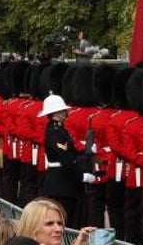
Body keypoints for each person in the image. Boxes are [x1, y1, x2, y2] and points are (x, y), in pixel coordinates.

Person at [38, 94, 92, 228]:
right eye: (62, 111)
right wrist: (81, 176)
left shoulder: (58, 129)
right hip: (62, 183)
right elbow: (66, 159)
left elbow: (69, 152)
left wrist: (83, 150)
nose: (66, 113)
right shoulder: (56, 131)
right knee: (66, 223)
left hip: (61, 181)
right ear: (55, 113)